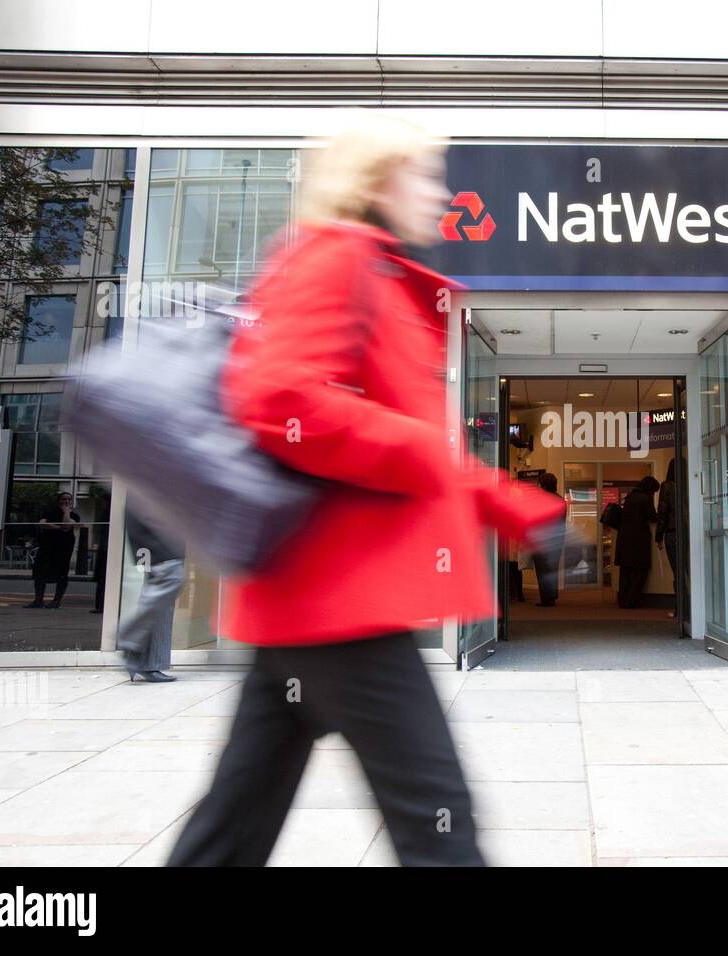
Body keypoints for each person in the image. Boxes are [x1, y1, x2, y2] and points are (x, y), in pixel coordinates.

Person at [166, 118, 562, 868]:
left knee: (234, 825)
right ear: (376, 181)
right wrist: (419, 451)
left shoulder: (370, 270)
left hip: (311, 603)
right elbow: (278, 399)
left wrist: (524, 508)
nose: (440, 195)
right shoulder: (336, 257)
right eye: (425, 176)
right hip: (343, 601)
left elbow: (412, 447)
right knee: (441, 823)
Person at [117, 507, 185, 683]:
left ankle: (140, 658)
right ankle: (133, 644)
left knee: (156, 597)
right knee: (166, 585)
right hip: (155, 543)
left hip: (157, 542)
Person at [26, 492, 80, 609]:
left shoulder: (74, 516)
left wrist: (66, 512)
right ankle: (38, 600)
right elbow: (42, 524)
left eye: (68, 499)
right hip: (47, 545)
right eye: (63, 499)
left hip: (64, 548)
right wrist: (58, 527)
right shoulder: (50, 512)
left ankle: (56, 601)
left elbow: (67, 526)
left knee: (62, 573)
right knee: (39, 571)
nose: (66, 501)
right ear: (58, 501)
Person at [615, 475, 659, 609]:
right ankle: (632, 600)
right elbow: (652, 517)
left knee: (626, 571)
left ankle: (623, 600)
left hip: (625, 538)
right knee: (640, 571)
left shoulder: (630, 496)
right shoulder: (645, 498)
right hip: (639, 539)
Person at [655, 458, 688, 619]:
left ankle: (681, 609)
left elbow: (662, 511)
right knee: (689, 571)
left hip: (673, 533)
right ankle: (692, 608)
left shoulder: (667, 486)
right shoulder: (689, 484)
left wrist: (658, 535)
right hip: (689, 532)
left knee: (678, 573)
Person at [531, 472, 565, 607]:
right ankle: (552, 595)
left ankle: (546, 597)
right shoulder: (560, 499)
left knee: (542, 570)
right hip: (557, 539)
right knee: (552, 568)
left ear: (543, 484)